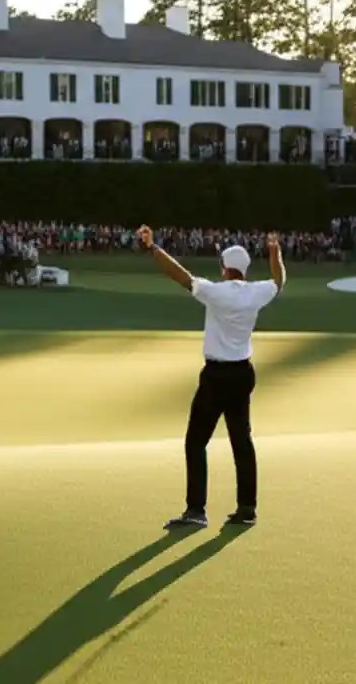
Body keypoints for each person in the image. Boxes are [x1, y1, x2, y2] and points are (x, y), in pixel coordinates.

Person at [137, 224, 286, 529]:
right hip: (243, 373)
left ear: (224, 267)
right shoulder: (257, 292)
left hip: (217, 375)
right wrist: (275, 253)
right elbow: (279, 281)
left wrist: (153, 248)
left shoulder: (216, 293)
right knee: (241, 441)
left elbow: (181, 276)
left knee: (195, 442)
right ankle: (247, 509)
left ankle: (196, 510)